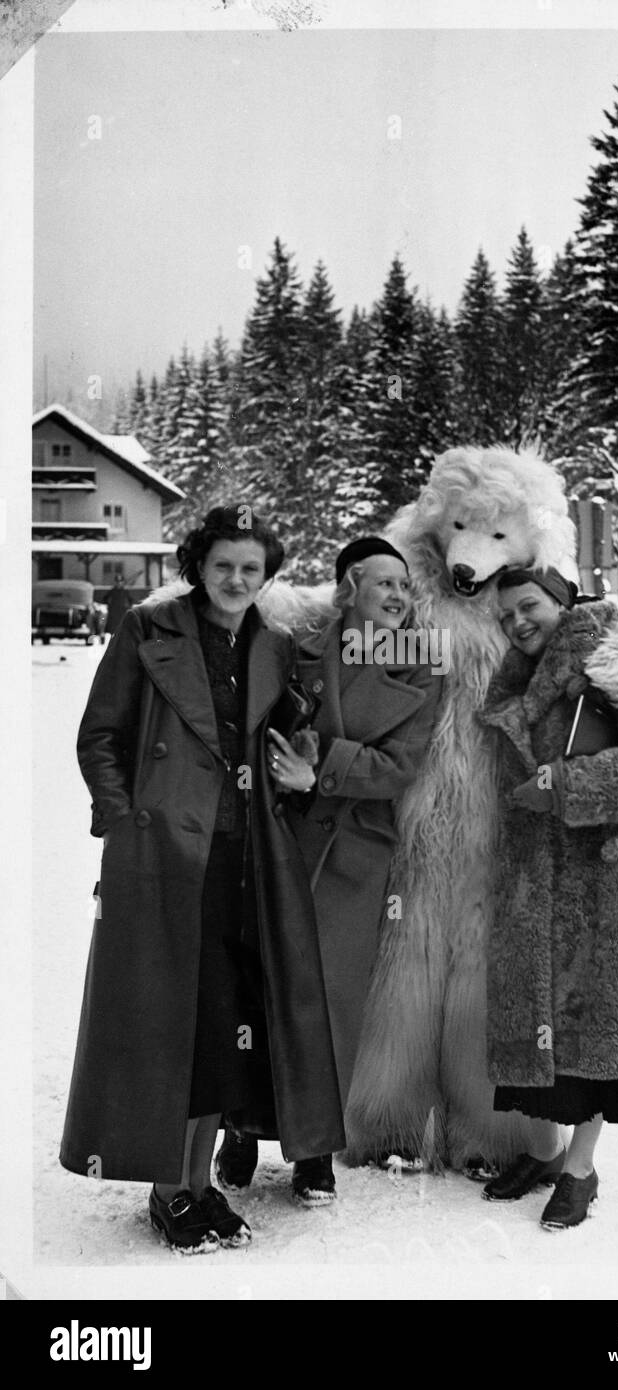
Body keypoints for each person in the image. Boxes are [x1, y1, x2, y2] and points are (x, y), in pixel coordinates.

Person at [60, 504, 345, 1253]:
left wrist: (300, 764)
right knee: (167, 1021)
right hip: (163, 856)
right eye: (223, 564)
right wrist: (123, 821)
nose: (236, 579)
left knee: (223, 1023)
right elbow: (100, 736)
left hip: (245, 858)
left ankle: (196, 1181)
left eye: (251, 568)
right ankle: (168, 1189)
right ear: (198, 564)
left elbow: (294, 730)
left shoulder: (275, 646)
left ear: (267, 576)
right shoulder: (147, 631)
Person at [216, 536, 443, 1203]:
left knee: (332, 1004)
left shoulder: (421, 670)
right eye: (385, 584)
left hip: (354, 852)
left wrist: (323, 769)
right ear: (349, 586)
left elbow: (404, 766)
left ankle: (315, 1146)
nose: (399, 597)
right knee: (257, 987)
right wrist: (283, 778)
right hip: (282, 841)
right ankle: (241, 1126)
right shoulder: (297, 651)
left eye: (405, 587)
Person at [479, 564, 618, 1230]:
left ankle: (579, 1169)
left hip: (599, 880)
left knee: (598, 1033)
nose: (518, 622)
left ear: (562, 599)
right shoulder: (514, 676)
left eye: (528, 606)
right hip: (527, 878)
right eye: (507, 614)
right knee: (528, 1026)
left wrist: (565, 786)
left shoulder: (616, 661)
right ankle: (544, 1154)